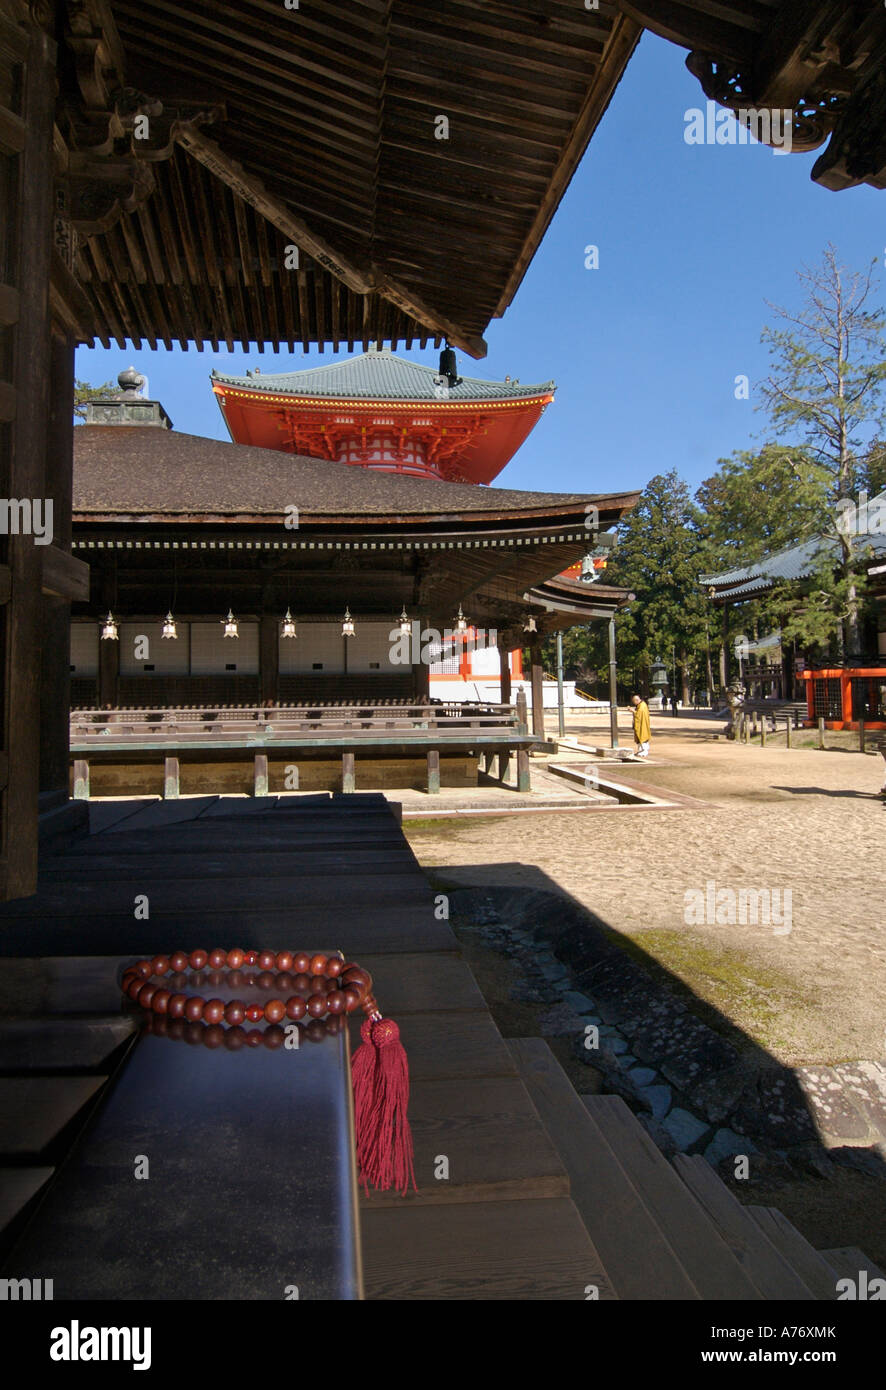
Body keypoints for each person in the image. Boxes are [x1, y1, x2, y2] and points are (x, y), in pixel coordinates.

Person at [631, 693, 651, 759]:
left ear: (637, 700)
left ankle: (644, 750)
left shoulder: (642, 705)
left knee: (642, 735)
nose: (634, 702)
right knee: (639, 736)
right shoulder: (639, 705)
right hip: (639, 723)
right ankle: (640, 750)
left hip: (642, 724)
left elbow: (639, 714)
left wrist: (633, 711)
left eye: (634, 700)